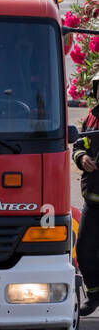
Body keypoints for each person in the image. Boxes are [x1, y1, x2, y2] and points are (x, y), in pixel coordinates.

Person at [75, 79, 99, 317]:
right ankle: (93, 295)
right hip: (93, 200)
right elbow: (78, 145)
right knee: (83, 250)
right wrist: (82, 157)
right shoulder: (91, 118)